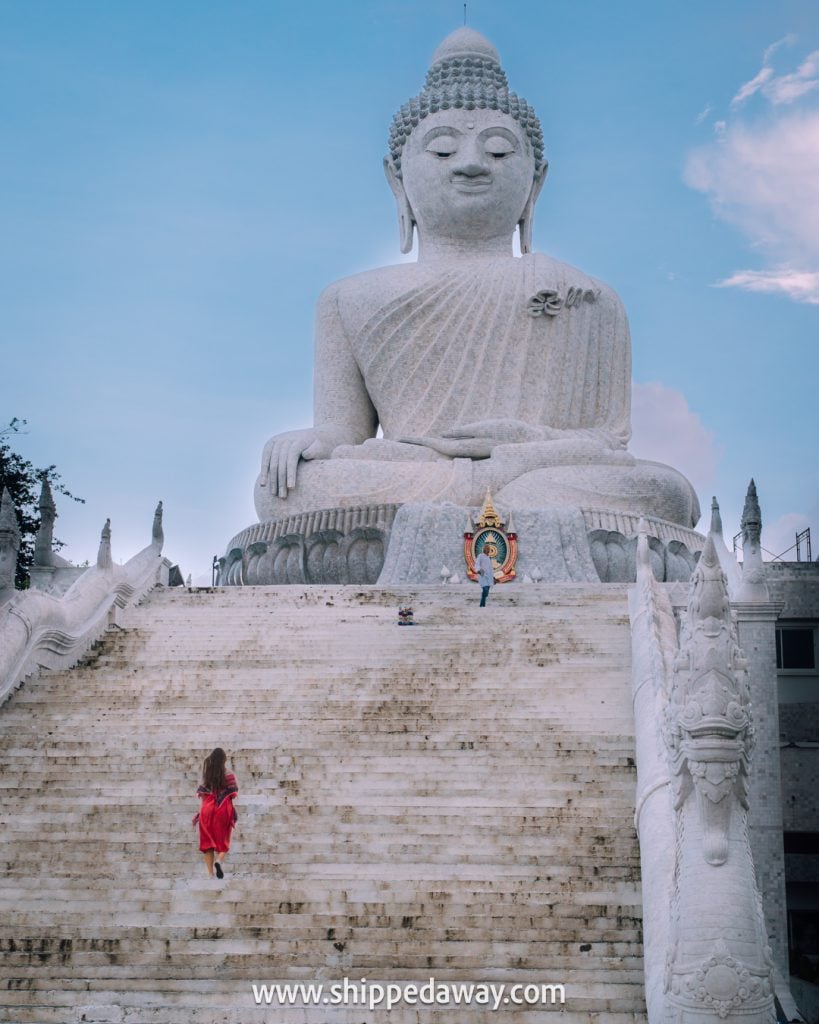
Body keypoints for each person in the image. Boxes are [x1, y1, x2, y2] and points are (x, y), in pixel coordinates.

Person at [252, 27, 699, 533]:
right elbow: (345, 432)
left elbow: (605, 443)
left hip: (536, 473)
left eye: (499, 152)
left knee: (666, 491)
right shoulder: (347, 299)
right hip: (418, 473)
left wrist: (517, 447)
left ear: (536, 181)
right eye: (442, 151)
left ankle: (465, 511)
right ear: (396, 180)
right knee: (281, 489)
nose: (469, 164)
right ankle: (500, 509)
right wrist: (312, 441)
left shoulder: (587, 296)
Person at [193, 748, 238, 879]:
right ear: (224, 760)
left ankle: (210, 875)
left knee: (207, 843)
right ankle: (218, 861)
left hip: (207, 809)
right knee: (223, 840)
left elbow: (202, 795)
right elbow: (233, 794)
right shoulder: (228, 775)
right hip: (223, 808)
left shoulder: (206, 776)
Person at [475, 542, 496, 607]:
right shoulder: (480, 556)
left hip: (489, 577)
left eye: (488, 549)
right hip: (482, 575)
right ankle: (482, 605)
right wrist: (479, 570)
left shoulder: (488, 558)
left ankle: (483, 602)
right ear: (484, 549)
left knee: (486, 592)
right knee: (485, 589)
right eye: (486, 549)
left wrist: (493, 577)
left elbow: (490, 569)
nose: (487, 550)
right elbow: (477, 564)